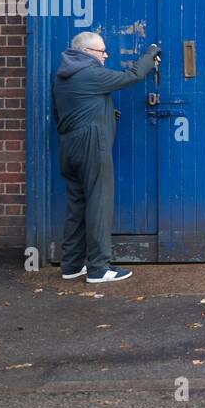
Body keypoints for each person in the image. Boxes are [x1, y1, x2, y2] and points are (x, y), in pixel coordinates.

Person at [52, 31, 160, 283]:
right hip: (91, 144)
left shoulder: (61, 76)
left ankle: (71, 265)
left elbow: (63, 112)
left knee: (76, 206)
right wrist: (150, 54)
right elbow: (131, 75)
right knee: (99, 204)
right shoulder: (89, 72)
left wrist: (106, 115)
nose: (106, 55)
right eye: (102, 51)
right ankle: (99, 269)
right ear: (87, 52)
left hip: (69, 144)